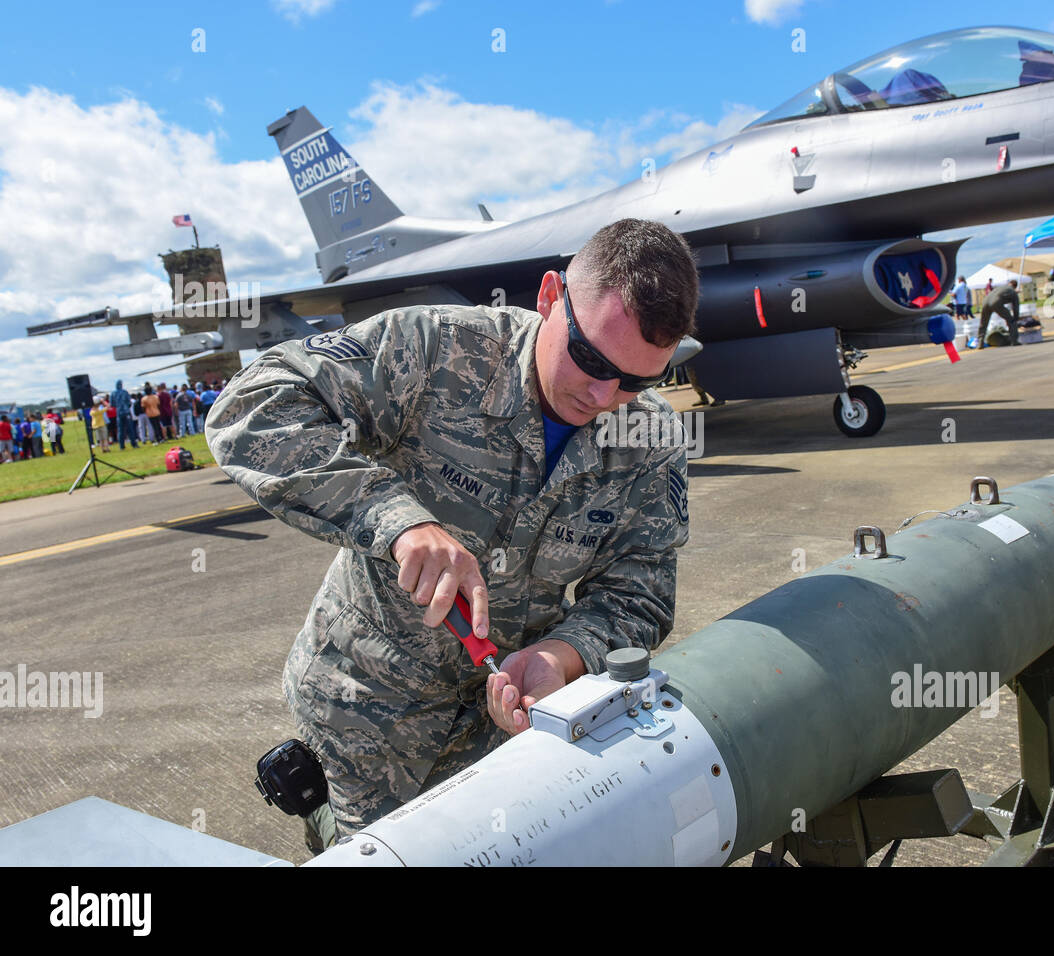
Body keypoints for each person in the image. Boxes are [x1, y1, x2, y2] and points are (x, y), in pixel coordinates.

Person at [207, 218, 698, 853]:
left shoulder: (650, 443)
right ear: (550, 297)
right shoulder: (439, 350)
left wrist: (564, 657)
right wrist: (398, 519)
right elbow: (253, 407)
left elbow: (640, 594)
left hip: (505, 737)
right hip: (367, 717)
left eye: (637, 381)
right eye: (590, 358)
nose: (604, 395)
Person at [978, 279, 1021, 348]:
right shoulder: (1013, 292)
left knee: (983, 323)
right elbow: (1016, 307)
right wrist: (1016, 318)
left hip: (985, 302)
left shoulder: (1001, 287)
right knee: (1011, 320)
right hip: (996, 302)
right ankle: (1014, 341)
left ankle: (980, 342)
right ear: (1015, 286)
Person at [111, 380, 138, 450]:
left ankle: (121, 446)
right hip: (126, 413)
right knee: (130, 429)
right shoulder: (125, 392)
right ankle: (133, 443)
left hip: (119, 413)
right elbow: (129, 403)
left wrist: (118, 406)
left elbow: (112, 404)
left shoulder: (113, 393)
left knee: (120, 430)